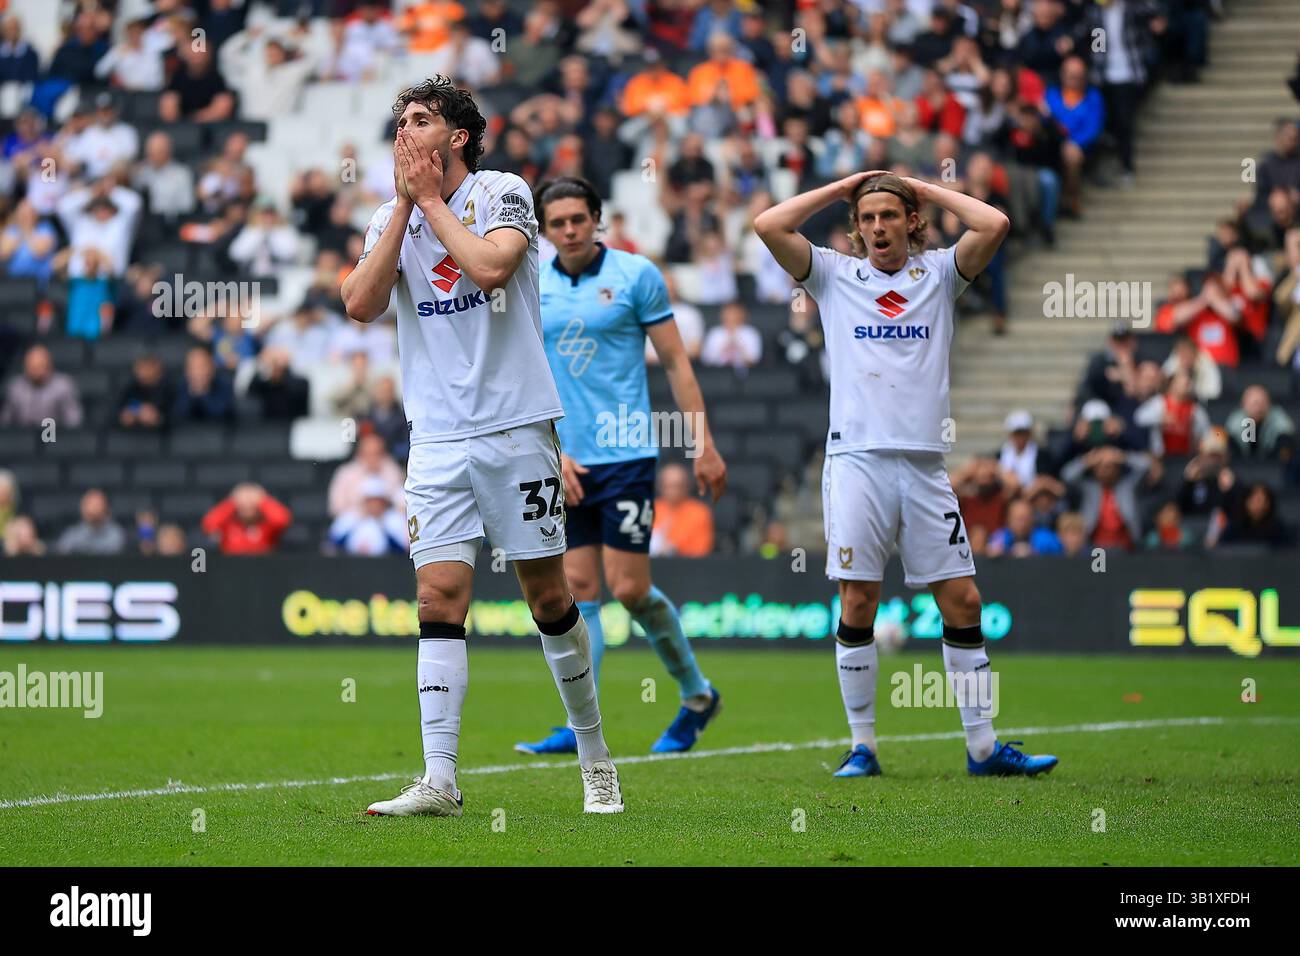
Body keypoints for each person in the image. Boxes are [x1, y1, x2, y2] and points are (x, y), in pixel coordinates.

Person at [341, 76, 621, 817]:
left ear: (458, 136)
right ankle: (440, 778)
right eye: (399, 121)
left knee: (547, 594)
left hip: (514, 424)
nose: (405, 132)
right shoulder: (389, 218)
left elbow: (492, 268)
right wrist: (405, 204)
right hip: (434, 436)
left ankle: (595, 758)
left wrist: (430, 201)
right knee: (438, 595)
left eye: (422, 119)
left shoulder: (503, 192)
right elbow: (360, 304)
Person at [756, 169, 1057, 778]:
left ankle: (981, 749)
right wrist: (846, 186)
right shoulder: (835, 276)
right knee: (859, 600)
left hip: (923, 465)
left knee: (964, 600)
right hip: (857, 461)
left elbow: (995, 223)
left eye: (889, 216)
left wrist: (920, 186)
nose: (876, 228)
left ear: (911, 221)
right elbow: (768, 224)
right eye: (866, 219)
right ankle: (863, 746)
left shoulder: (941, 274)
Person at [514, 176, 728, 757]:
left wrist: (701, 444)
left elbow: (678, 363)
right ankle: (579, 724)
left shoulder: (637, 277)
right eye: (556, 224)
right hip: (567, 460)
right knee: (578, 590)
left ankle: (696, 695)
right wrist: (552, 453)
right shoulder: (530, 283)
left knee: (631, 590)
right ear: (544, 229)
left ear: (596, 219)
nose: (568, 231)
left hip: (628, 451)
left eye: (577, 220)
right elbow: (523, 375)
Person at [200, 483, 292, 554]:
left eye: (251, 503)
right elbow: (209, 523)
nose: (247, 506)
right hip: (231, 569)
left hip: (262, 569)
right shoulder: (228, 526)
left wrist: (262, 499)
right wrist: (232, 502)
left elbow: (282, 520)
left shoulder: (267, 526)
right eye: (243, 503)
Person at [329, 476, 409, 555]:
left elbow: (403, 549)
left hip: (387, 565)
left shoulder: (395, 518)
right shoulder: (349, 516)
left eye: (377, 500)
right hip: (350, 564)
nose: (373, 504)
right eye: (369, 500)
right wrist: (355, 523)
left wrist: (382, 525)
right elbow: (332, 544)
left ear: (384, 501)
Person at [56, 489, 126, 555]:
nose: (93, 508)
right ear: (82, 508)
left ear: (106, 508)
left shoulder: (116, 533)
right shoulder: (72, 534)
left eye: (97, 504)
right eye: (89, 504)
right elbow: (62, 553)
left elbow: (115, 552)